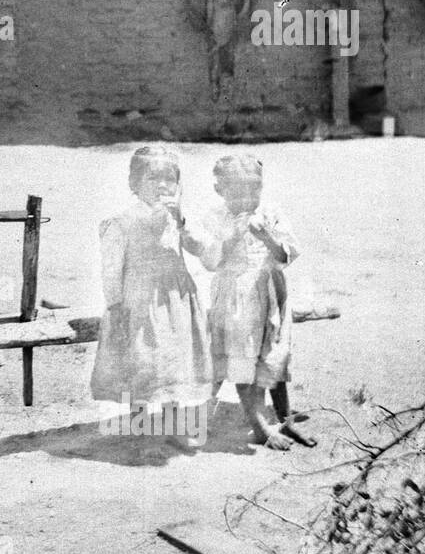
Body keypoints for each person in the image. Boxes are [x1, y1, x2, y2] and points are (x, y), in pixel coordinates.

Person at [90, 145, 211, 450]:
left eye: (169, 179)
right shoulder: (120, 222)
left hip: (177, 302)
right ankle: (143, 433)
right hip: (140, 305)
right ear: (133, 183)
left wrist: (182, 221)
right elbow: (111, 271)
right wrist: (116, 308)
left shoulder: (177, 218)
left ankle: (171, 427)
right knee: (142, 367)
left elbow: (202, 250)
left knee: (173, 365)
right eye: (151, 178)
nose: (161, 185)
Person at [191, 154, 312, 450]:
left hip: (269, 290)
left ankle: (284, 417)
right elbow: (211, 260)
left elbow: (286, 256)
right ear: (221, 190)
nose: (248, 198)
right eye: (238, 191)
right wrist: (235, 234)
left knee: (275, 353)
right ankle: (259, 424)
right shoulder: (214, 217)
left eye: (254, 189)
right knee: (242, 355)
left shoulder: (270, 213)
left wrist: (267, 237)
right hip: (234, 295)